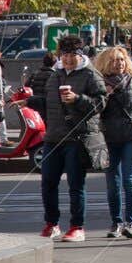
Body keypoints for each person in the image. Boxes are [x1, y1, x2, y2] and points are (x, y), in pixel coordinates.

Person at [39, 35, 107, 242]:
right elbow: (48, 102)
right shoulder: (56, 74)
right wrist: (29, 102)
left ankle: (77, 227)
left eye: (72, 55)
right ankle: (52, 223)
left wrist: (78, 99)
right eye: (64, 55)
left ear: (81, 55)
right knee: (47, 182)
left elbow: (101, 103)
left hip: (77, 137)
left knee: (76, 185)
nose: (68, 59)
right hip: (53, 137)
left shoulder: (90, 74)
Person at [96, 46, 132, 239]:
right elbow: (91, 110)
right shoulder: (99, 83)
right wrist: (104, 96)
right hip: (108, 137)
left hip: (129, 136)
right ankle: (116, 222)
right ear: (105, 63)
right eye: (113, 60)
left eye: (121, 59)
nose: (118, 63)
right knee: (113, 182)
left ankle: (131, 222)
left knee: (129, 179)